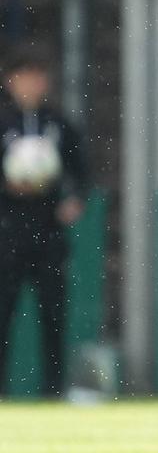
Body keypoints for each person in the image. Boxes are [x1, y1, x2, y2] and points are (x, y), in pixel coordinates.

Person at [0, 50, 87, 397]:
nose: (31, 84)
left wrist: (73, 200)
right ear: (11, 82)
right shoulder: (4, 123)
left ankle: (53, 389)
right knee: (4, 310)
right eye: (24, 76)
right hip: (7, 231)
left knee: (53, 311)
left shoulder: (60, 124)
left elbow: (80, 172)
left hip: (49, 230)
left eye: (38, 76)